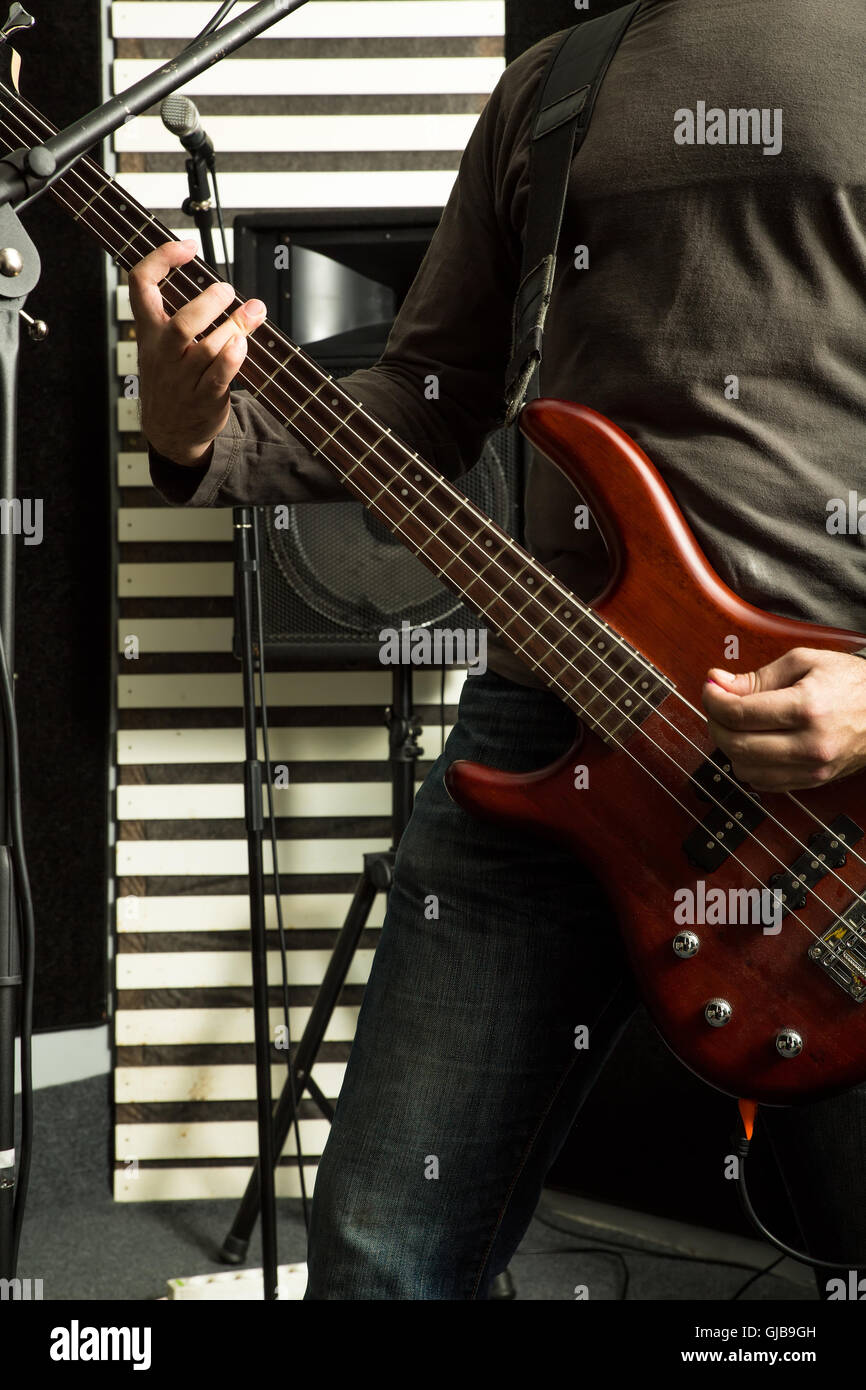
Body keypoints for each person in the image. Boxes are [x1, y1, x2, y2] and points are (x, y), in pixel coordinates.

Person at [129, 0, 866, 1299]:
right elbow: (429, 387)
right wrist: (199, 426)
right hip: (550, 730)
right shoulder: (561, 79)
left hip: (836, 788)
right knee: (377, 1254)